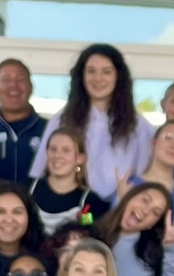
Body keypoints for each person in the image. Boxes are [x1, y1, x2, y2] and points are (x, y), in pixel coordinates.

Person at [28, 44, 154, 198]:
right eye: (91, 71)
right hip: (71, 211)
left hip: (117, 211)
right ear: (81, 76)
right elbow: (40, 170)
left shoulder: (138, 125)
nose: (98, 78)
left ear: (118, 77)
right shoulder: (61, 120)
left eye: (106, 72)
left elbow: (142, 178)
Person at [29, 126, 111, 237]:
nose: (57, 155)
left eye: (66, 150)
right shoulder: (28, 189)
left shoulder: (89, 202)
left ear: (80, 159)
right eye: (53, 149)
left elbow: (90, 238)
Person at [0, 57, 48, 184]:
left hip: (37, 203)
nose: (14, 85)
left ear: (31, 87)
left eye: (20, 79)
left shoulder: (50, 129)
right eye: (6, 80)